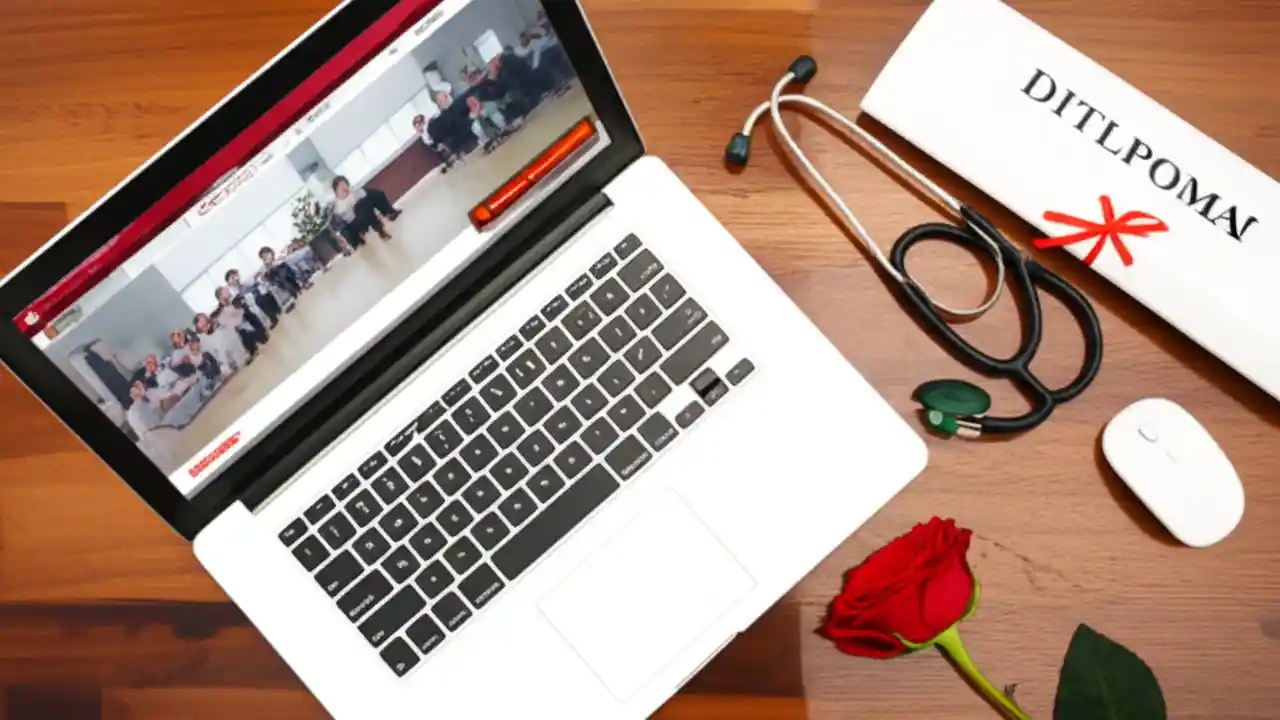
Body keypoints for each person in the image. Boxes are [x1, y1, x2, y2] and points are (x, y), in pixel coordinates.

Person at [332, 176, 399, 245]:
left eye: (345, 184)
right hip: (355, 221)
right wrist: (350, 201)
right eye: (341, 186)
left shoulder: (351, 191)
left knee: (372, 196)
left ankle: (388, 215)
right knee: (364, 204)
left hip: (365, 211)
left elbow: (364, 194)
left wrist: (353, 192)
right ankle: (385, 222)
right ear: (336, 189)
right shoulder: (338, 204)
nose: (344, 187)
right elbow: (349, 218)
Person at [214, 285, 266, 358]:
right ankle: (252, 348)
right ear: (220, 297)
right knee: (241, 330)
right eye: (225, 292)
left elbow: (245, 308)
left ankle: (260, 336)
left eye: (227, 290)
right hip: (239, 329)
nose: (228, 292)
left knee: (249, 317)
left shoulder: (235, 299)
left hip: (248, 321)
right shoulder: (221, 311)